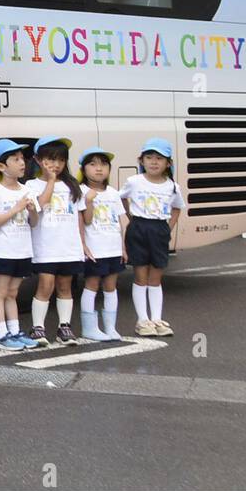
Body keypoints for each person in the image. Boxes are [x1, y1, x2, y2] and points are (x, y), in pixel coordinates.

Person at [122, 138, 185, 337]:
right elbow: (122, 197)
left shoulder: (172, 187)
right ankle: (142, 320)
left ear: (168, 163)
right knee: (140, 276)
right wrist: (131, 217)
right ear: (141, 160)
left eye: (159, 158)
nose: (154, 162)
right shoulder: (134, 181)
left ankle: (157, 319)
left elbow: (177, 208)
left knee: (156, 277)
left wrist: (168, 228)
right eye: (149, 157)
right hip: (139, 227)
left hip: (159, 229)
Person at [28, 136, 83, 346]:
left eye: (60, 160)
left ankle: (64, 327)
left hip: (68, 246)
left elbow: (78, 217)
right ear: (38, 160)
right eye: (50, 160)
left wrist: (81, 245)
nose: (55, 165)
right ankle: (38, 327)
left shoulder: (71, 186)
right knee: (45, 285)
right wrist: (50, 181)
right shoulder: (32, 185)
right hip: (46, 246)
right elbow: (39, 206)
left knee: (65, 286)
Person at [0, 140, 39, 351]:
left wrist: (32, 211)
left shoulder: (26, 190)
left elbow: (33, 223)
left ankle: (15, 331)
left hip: (23, 250)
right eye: (15, 159)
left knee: (13, 292)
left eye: (22, 158)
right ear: (1, 166)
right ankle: (0, 334)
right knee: (0, 291)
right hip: (4, 251)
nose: (21, 163)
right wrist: (16, 208)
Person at [77, 147, 128, 342]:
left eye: (103, 164)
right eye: (93, 164)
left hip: (113, 247)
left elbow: (121, 222)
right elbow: (87, 220)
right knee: (92, 284)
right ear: (83, 169)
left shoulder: (113, 193)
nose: (99, 168)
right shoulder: (82, 191)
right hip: (95, 248)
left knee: (111, 286)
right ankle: (89, 327)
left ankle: (110, 327)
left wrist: (123, 247)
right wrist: (89, 202)